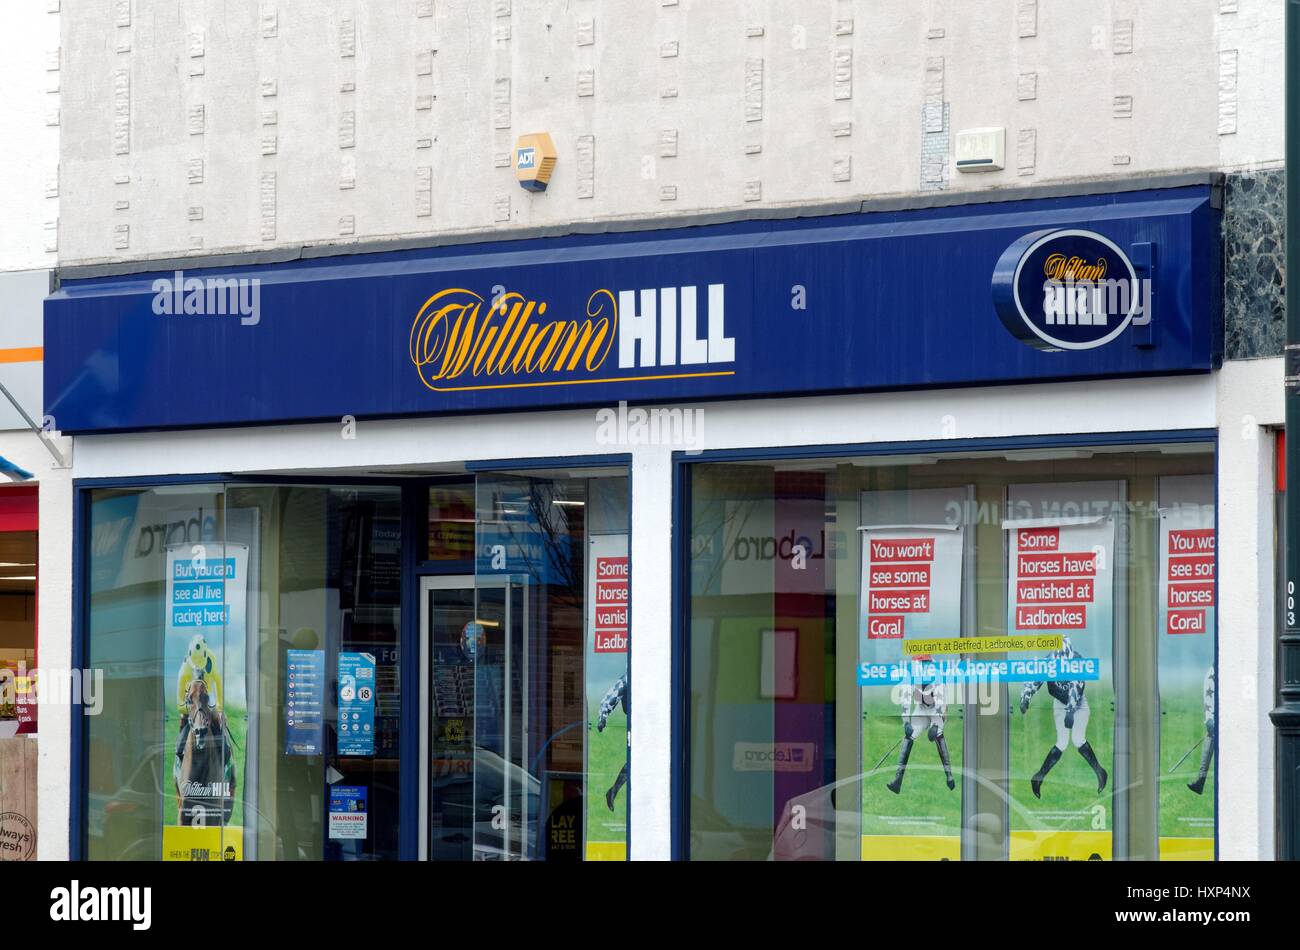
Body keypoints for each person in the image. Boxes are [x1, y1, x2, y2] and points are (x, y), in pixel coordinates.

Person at [1018, 637, 1107, 798]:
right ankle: (1038, 778)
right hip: (1059, 702)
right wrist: (1025, 697)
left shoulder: (1077, 661)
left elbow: (1076, 688)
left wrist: (1071, 711)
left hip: (1078, 703)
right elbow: (1035, 679)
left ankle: (1100, 772)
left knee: (1078, 739)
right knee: (1062, 742)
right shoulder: (1050, 660)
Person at [885, 678, 955, 794]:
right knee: (910, 735)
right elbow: (905, 700)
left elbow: (942, 703)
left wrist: (937, 724)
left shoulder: (938, 678)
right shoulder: (912, 675)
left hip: (936, 709)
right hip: (921, 708)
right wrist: (906, 722)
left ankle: (949, 775)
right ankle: (898, 780)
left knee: (937, 734)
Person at [596, 671, 629, 811]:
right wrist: (603, 715)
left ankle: (613, 791)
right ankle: (613, 791)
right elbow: (613, 694)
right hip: (637, 726)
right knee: (635, 761)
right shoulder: (629, 676)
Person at [1187, 666, 1216, 795]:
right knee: (1209, 743)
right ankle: (1200, 780)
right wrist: (1210, 719)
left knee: (1209, 743)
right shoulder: (1213, 672)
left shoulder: (1212, 671)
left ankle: (1200, 780)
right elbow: (1210, 697)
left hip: (1215, 718)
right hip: (1214, 719)